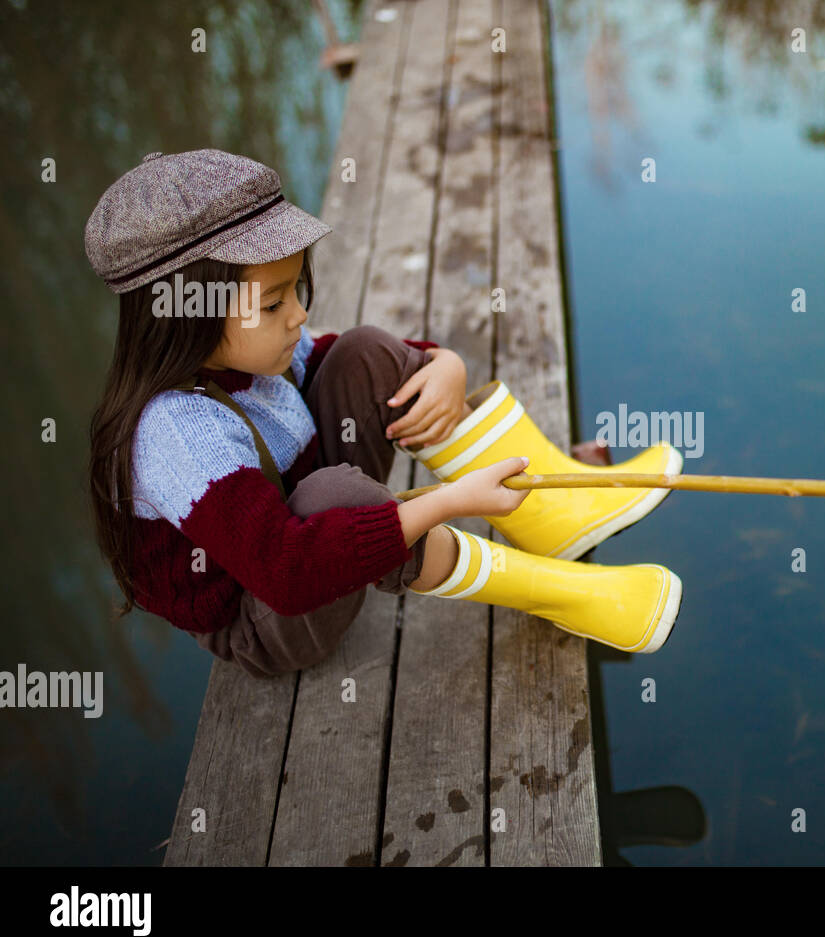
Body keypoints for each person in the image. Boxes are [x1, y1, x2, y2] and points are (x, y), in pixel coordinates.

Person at [83, 148, 682, 678]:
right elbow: (285, 572)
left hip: (303, 528)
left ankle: (555, 517)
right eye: (272, 303)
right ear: (186, 314)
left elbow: (353, 360)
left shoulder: (251, 358)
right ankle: (562, 594)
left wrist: (444, 363)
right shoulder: (176, 432)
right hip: (268, 614)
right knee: (336, 496)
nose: (295, 314)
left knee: (363, 352)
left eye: (295, 290)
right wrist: (447, 502)